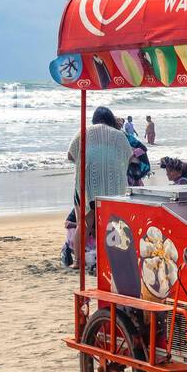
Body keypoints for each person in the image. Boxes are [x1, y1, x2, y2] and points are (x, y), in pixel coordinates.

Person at [67, 106, 132, 269]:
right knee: (114, 222)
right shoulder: (120, 135)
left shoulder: (83, 132)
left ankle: (78, 262)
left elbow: (70, 155)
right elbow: (129, 157)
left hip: (88, 184)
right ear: (111, 120)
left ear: (94, 119)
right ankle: (112, 261)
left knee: (84, 223)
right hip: (114, 185)